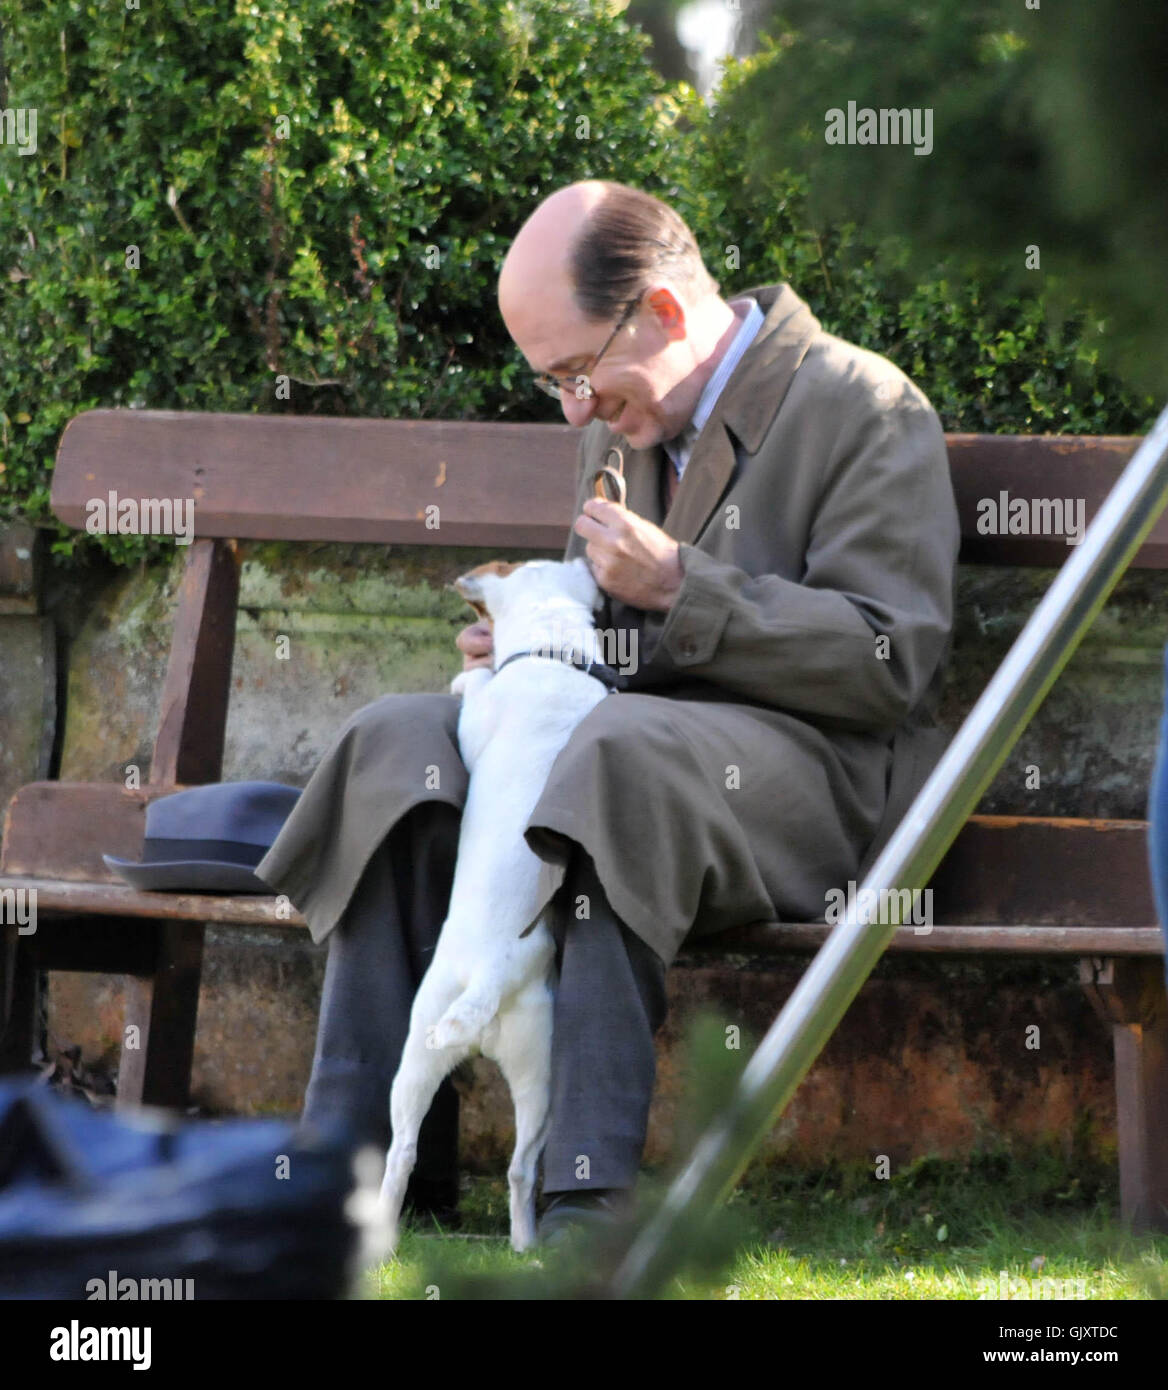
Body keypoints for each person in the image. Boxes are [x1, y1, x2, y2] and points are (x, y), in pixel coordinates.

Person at [255, 180, 961, 1245]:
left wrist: (685, 588)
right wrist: (534, 645)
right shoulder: (619, 427)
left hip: (824, 782)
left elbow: (888, 658)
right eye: (554, 384)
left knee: (615, 754)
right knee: (398, 745)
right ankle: (355, 1168)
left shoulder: (865, 406)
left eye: (580, 373)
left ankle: (583, 1198)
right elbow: (615, 641)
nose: (575, 409)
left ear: (668, 313)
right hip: (631, 754)